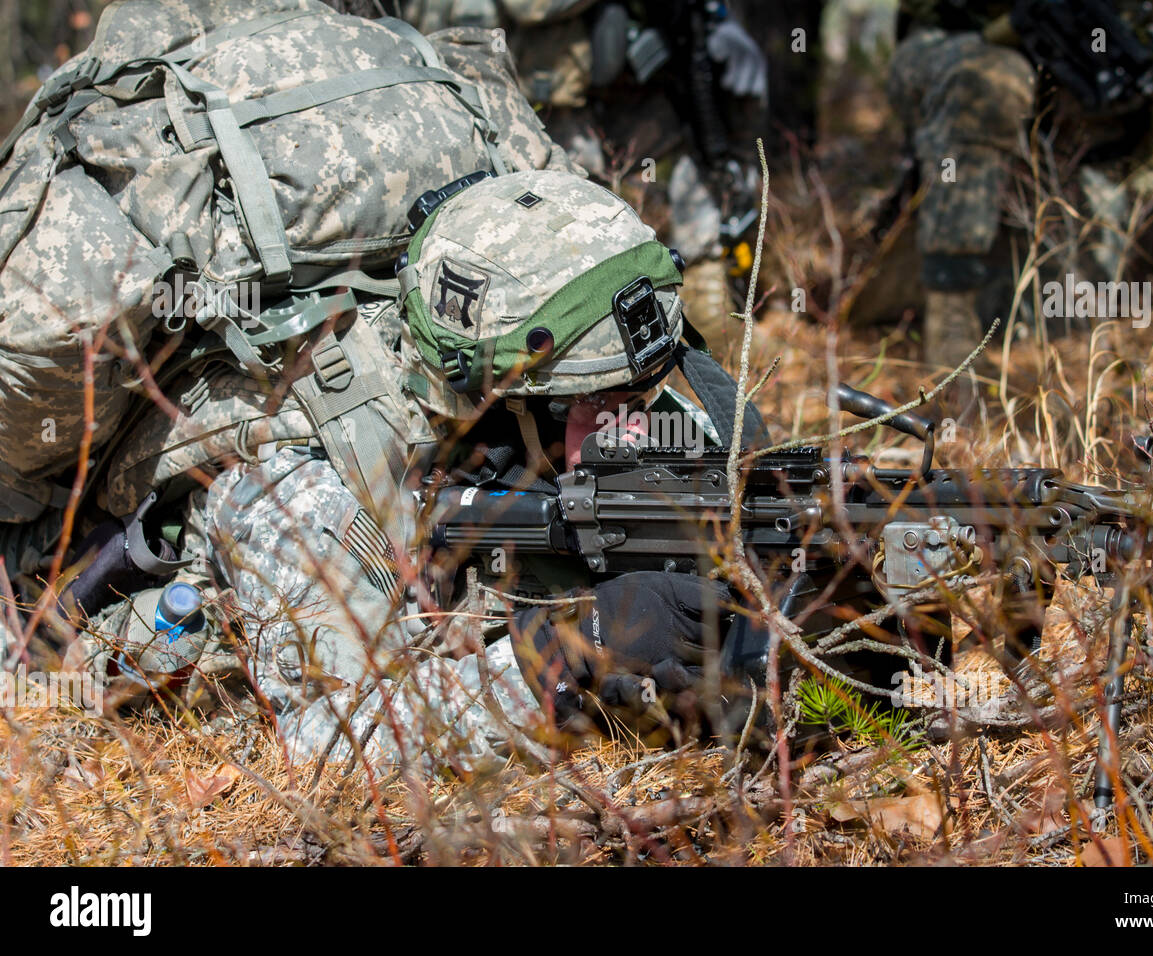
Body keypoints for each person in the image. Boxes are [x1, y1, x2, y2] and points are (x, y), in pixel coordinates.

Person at [61, 168, 765, 776]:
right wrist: (565, 655)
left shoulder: (603, 383)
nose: (633, 428)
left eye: (637, 394)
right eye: (592, 403)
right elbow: (324, 745)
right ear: (496, 398)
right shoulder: (312, 488)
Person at [886, 0, 1153, 402]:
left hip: (1075, 83)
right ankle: (950, 324)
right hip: (955, 42)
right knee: (985, 80)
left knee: (1066, 319)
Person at [403, 0, 770, 354]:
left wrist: (718, 22)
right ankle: (567, 350)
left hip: (626, 86)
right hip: (532, 101)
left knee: (702, 161)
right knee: (560, 231)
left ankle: (710, 327)